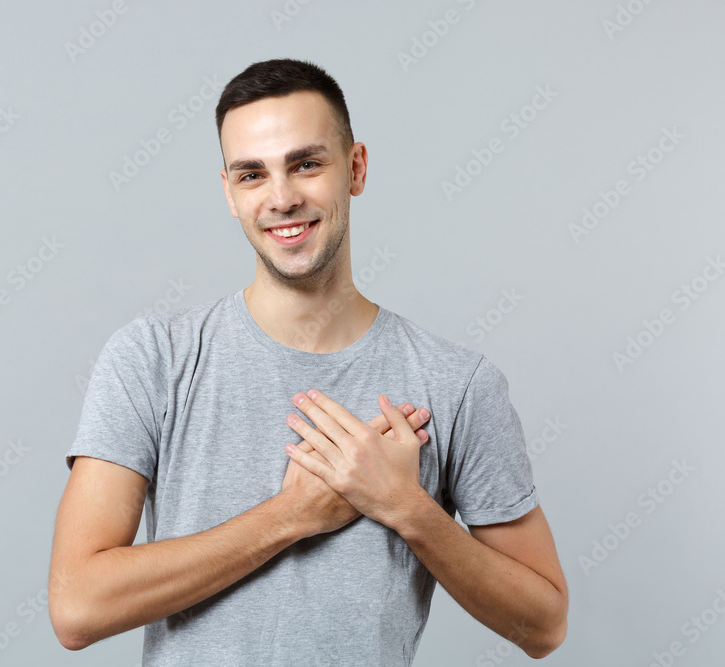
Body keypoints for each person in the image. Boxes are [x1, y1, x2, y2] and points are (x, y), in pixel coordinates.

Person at [49, 58, 568, 665]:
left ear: (356, 169)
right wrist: (291, 515)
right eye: (252, 175)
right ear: (229, 194)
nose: (282, 198)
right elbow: (77, 608)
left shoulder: (458, 384)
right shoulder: (153, 358)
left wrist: (407, 508)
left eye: (306, 164)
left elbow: (544, 625)